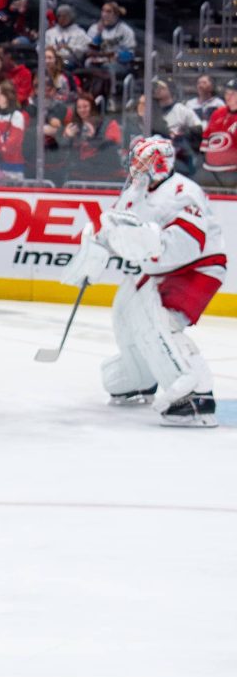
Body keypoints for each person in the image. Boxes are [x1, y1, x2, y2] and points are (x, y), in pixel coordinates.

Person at [60, 135, 226, 427]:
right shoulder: (136, 191)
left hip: (196, 268)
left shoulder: (184, 192)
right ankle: (140, 375)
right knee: (125, 310)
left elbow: (188, 244)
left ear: (158, 165)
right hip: (158, 268)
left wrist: (146, 242)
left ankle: (195, 394)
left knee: (154, 318)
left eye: (140, 163)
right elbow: (113, 227)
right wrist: (94, 256)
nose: (134, 169)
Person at [63, 92, 123, 182]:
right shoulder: (73, 126)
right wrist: (68, 137)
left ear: (92, 107)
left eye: (85, 106)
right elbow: (66, 152)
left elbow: (112, 147)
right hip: (80, 175)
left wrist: (92, 138)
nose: (82, 110)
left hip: (106, 174)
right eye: (79, 107)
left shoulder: (109, 123)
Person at [84, 1, 136, 102]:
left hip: (120, 63)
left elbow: (131, 54)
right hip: (100, 61)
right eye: (103, 11)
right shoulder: (96, 28)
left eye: (108, 12)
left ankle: (111, 97)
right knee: (87, 63)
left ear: (116, 14)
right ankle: (90, 94)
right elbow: (91, 49)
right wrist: (98, 34)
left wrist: (117, 56)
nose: (104, 14)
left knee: (108, 67)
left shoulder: (125, 30)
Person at [200, 77, 237, 189]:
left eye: (233, 93)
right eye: (226, 93)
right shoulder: (218, 112)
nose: (228, 97)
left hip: (233, 172)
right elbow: (206, 139)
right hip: (209, 172)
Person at [43, 5, 90, 71]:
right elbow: (40, 48)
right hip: (50, 60)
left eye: (64, 16)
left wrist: (69, 48)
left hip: (70, 61)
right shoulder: (50, 32)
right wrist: (50, 49)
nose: (62, 19)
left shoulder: (79, 32)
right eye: (59, 16)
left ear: (70, 17)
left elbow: (85, 49)